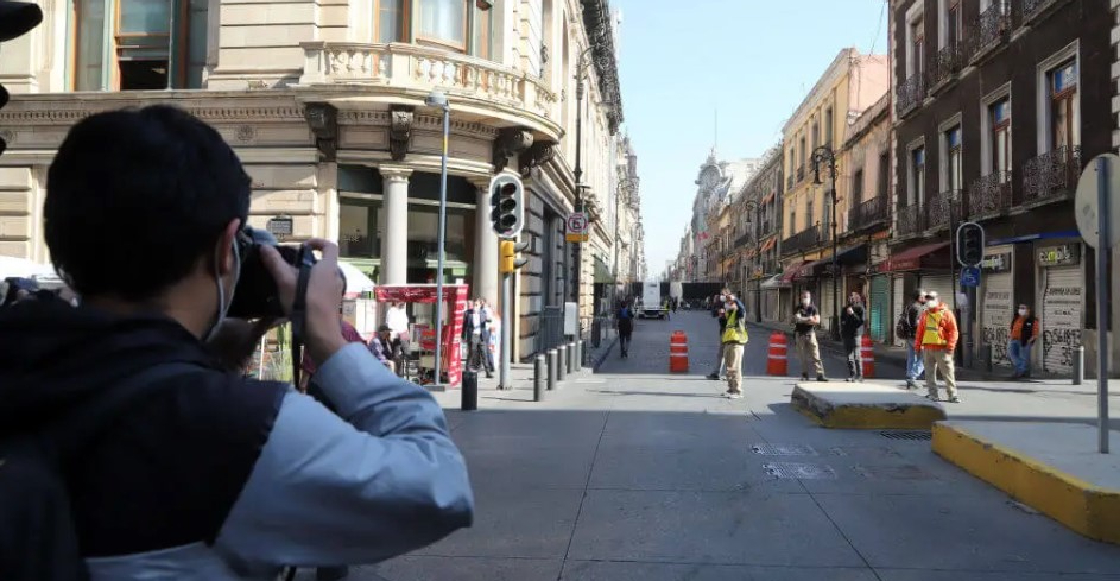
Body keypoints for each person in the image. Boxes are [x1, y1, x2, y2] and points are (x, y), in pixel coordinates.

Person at [0, 105, 473, 579]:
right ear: (227, 248)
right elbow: (439, 487)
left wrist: (208, 354)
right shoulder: (236, 427)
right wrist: (329, 336)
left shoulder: (26, 368)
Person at [914, 290, 961, 403]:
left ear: (937, 299)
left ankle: (952, 395)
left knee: (948, 373)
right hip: (928, 349)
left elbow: (953, 331)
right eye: (928, 298)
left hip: (942, 349)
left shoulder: (946, 313)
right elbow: (920, 331)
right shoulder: (925, 314)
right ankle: (933, 394)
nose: (929, 301)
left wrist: (951, 345)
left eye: (932, 298)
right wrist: (917, 345)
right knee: (929, 374)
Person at [793, 290, 827, 381]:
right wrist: (809, 318)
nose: (806, 298)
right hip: (800, 334)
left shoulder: (814, 308)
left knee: (816, 355)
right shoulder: (798, 308)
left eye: (807, 296)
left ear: (810, 297)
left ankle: (820, 375)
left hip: (811, 334)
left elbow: (817, 321)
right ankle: (805, 375)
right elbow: (797, 319)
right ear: (801, 297)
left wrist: (804, 319)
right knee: (803, 356)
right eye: (804, 296)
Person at [720, 295, 749, 398]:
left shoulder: (739, 314)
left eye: (731, 303)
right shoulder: (730, 314)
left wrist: (735, 299)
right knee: (729, 368)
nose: (729, 304)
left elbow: (742, 308)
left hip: (736, 343)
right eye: (729, 303)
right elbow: (723, 326)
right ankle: (731, 389)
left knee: (735, 368)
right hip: (728, 343)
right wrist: (722, 316)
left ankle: (737, 390)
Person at [898, 290, 926, 390]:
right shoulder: (918, 308)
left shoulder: (909, 306)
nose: (925, 298)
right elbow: (916, 324)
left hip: (909, 336)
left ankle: (909, 376)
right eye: (923, 296)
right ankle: (913, 378)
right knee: (923, 358)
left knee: (911, 358)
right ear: (918, 297)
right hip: (916, 337)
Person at [1008, 302, 1039, 379]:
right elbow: (1012, 328)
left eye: (1022, 308)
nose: (1020, 309)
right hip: (1013, 340)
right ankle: (1021, 369)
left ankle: (1019, 372)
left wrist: (1030, 340)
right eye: (1020, 308)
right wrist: (1010, 336)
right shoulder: (1016, 317)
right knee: (1012, 355)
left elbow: (1035, 332)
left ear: (1027, 310)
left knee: (1023, 357)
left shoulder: (1032, 320)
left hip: (1024, 342)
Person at [840, 291, 865, 382]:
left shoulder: (860, 309)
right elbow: (842, 322)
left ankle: (860, 376)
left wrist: (852, 314)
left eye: (853, 297)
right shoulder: (844, 309)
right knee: (849, 356)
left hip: (856, 335)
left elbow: (860, 323)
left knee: (857, 356)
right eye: (850, 297)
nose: (851, 299)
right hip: (847, 335)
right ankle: (852, 375)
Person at [707, 289, 731, 380]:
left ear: (728, 295)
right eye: (721, 295)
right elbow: (713, 313)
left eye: (724, 295)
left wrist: (725, 312)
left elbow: (738, 312)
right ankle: (717, 373)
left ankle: (730, 374)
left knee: (729, 354)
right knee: (721, 353)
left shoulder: (733, 303)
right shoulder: (721, 303)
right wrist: (716, 303)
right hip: (724, 331)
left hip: (732, 332)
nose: (722, 297)